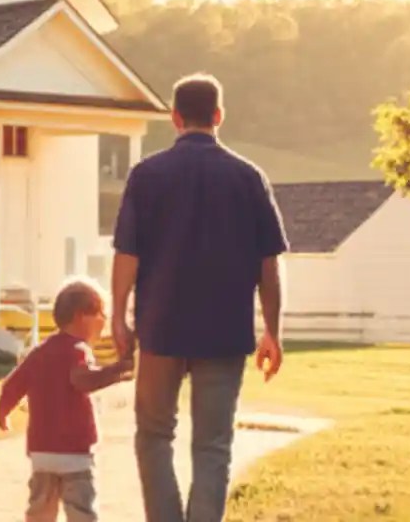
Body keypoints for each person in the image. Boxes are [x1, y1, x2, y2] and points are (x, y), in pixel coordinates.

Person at [111, 73, 288, 522]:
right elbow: (269, 262)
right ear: (218, 116)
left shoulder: (146, 176)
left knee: (153, 435)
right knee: (213, 446)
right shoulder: (249, 177)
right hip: (225, 333)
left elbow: (127, 254)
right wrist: (273, 330)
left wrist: (117, 316)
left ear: (174, 118)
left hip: (160, 329)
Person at [0, 278, 134, 522]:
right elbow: (83, 380)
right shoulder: (77, 350)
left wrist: (3, 412)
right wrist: (118, 371)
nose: (104, 321)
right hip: (74, 454)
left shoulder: (38, 352)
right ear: (82, 316)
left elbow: (12, 386)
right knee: (81, 511)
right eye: (101, 314)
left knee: (40, 510)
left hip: (41, 453)